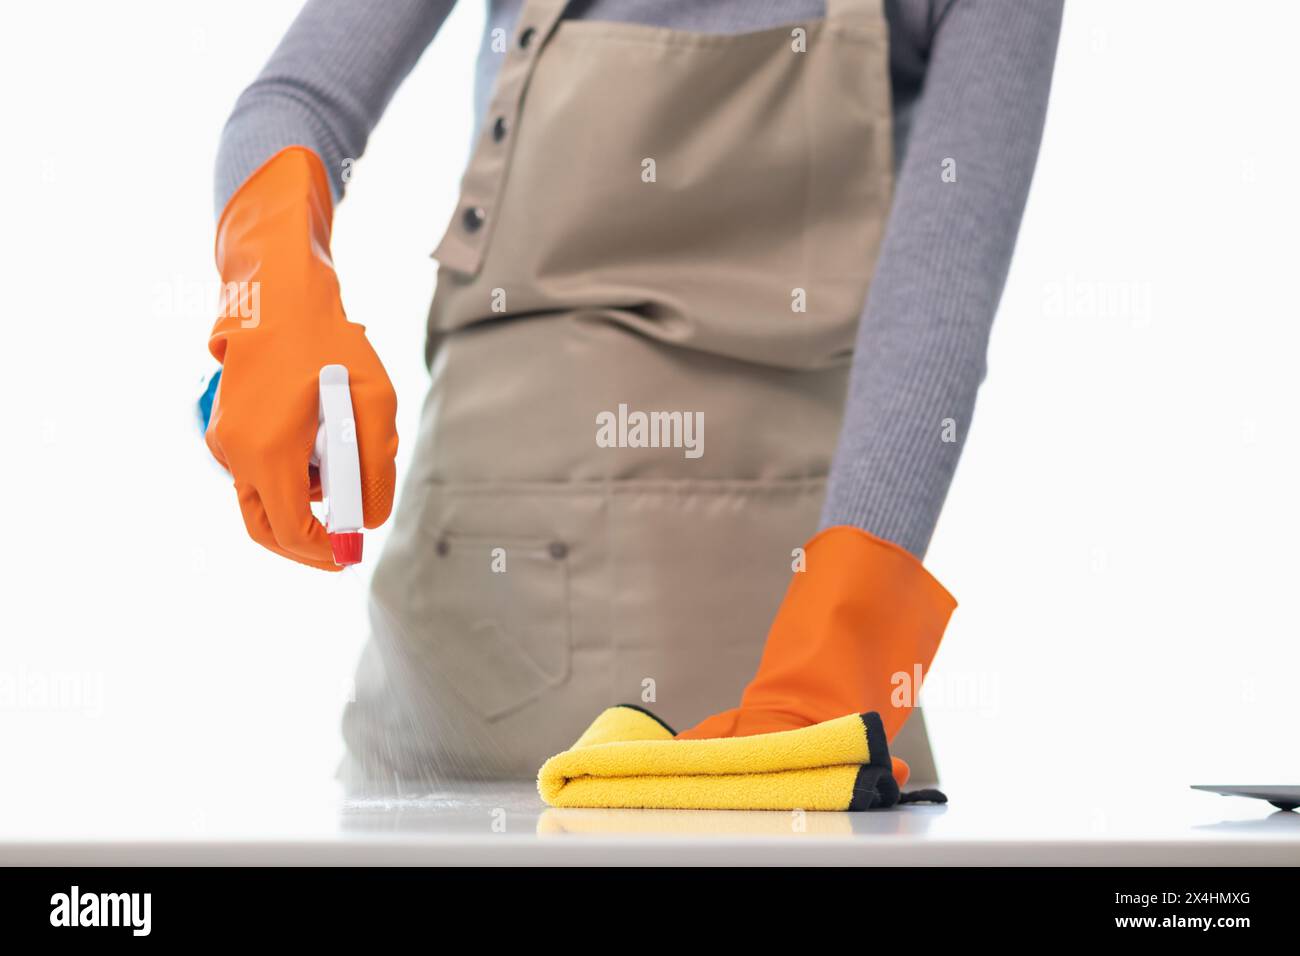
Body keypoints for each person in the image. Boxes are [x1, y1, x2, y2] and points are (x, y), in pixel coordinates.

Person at [205, 0, 1063, 790]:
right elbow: (300, 97)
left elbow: (937, 301)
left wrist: (835, 661)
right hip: (468, 659)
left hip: (789, 652)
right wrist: (272, 281)